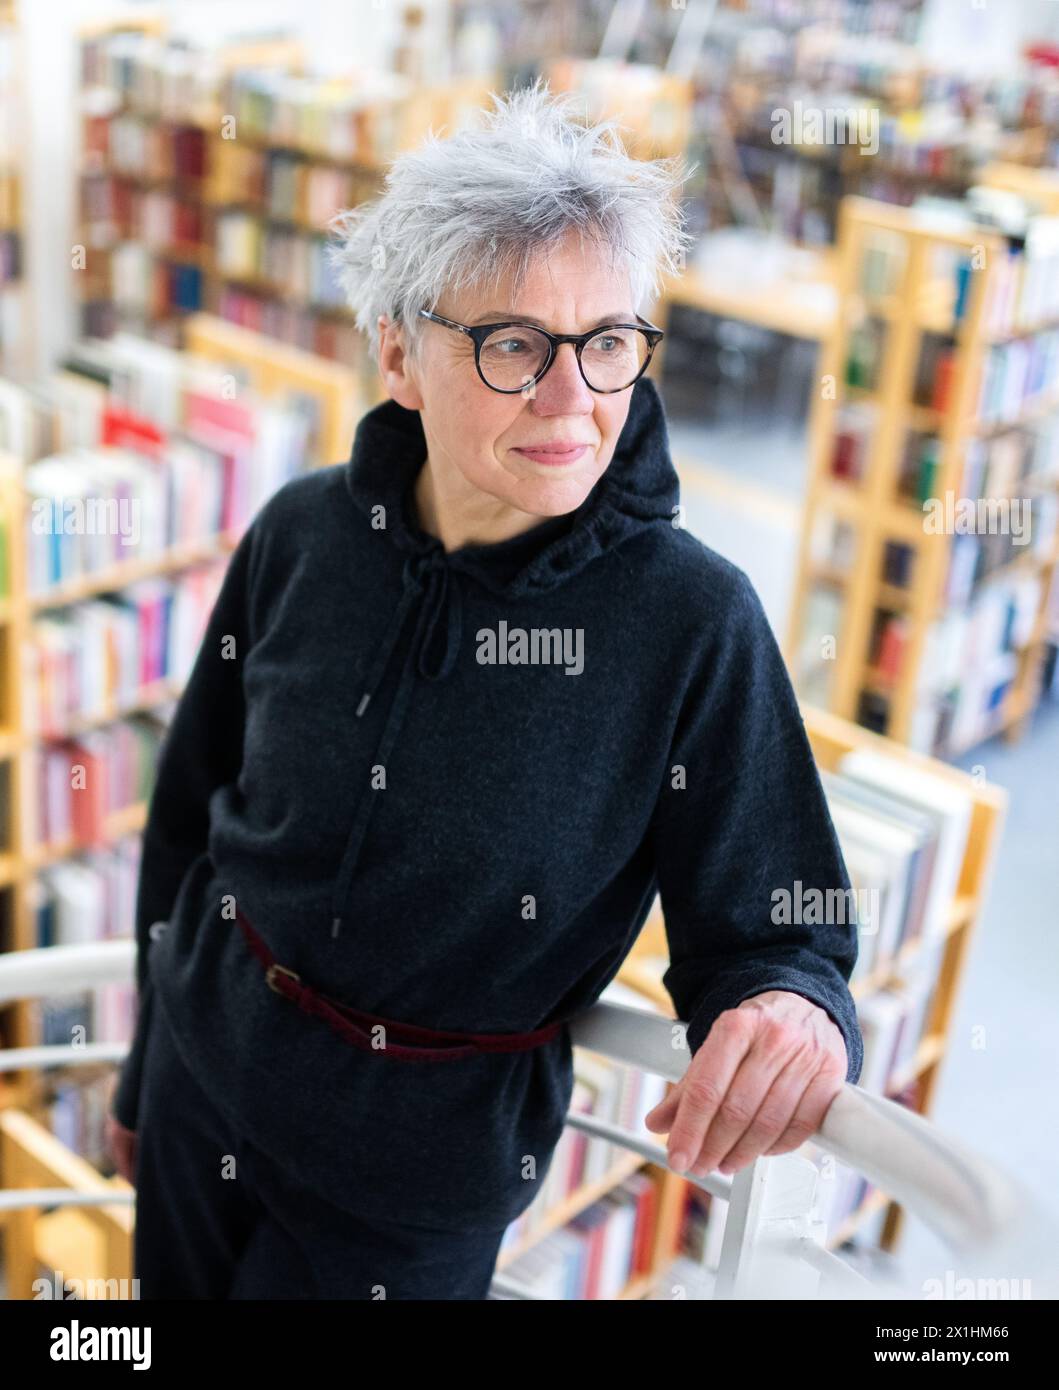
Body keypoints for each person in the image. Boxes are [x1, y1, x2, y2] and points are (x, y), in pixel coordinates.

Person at [106, 81, 863, 1300]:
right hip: (203, 1084)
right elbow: (190, 812)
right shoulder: (303, 531)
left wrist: (796, 1003)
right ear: (399, 351)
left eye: (610, 340)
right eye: (514, 343)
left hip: (407, 1195)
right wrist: (148, 1067)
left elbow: (783, 928)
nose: (576, 398)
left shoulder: (691, 622)